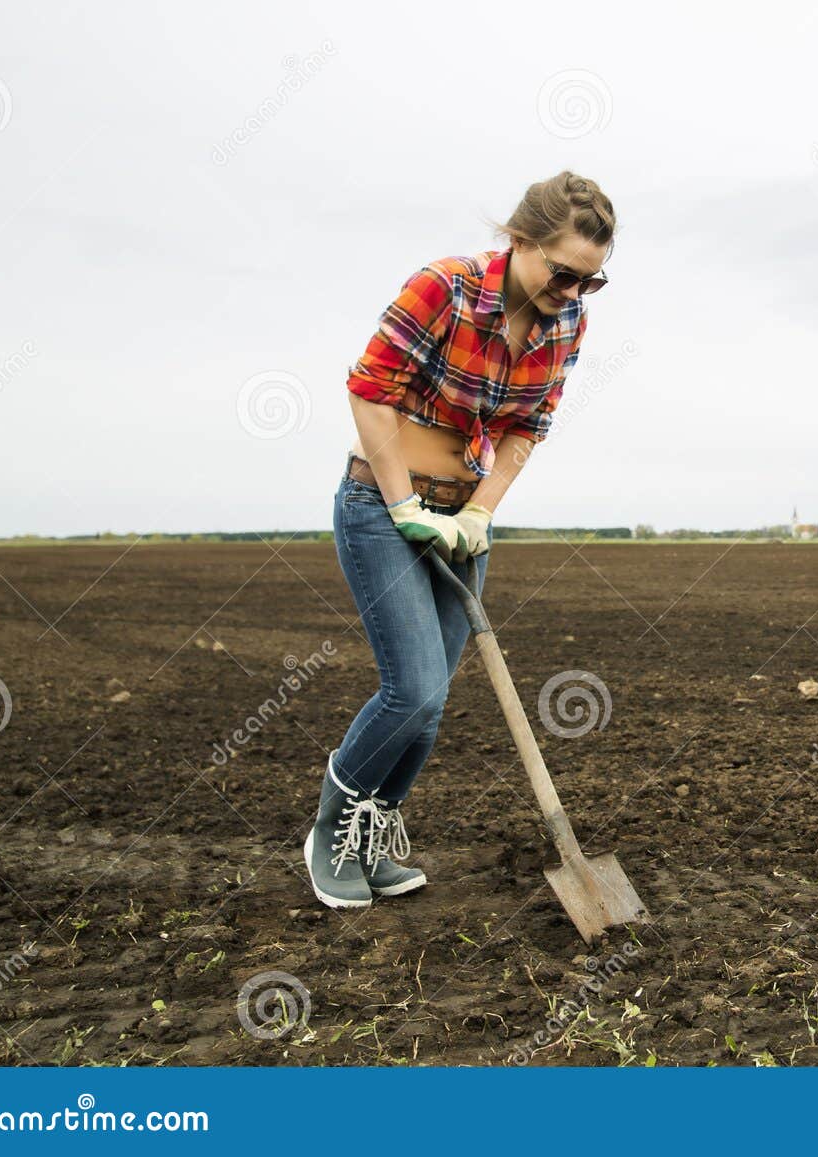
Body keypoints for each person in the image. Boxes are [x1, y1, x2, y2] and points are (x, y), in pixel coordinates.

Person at [305, 171, 616, 909]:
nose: (572, 292)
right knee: (409, 687)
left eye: (591, 282)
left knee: (434, 699)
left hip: (459, 517)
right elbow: (368, 389)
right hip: (382, 506)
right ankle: (331, 832)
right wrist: (405, 502)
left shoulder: (566, 324)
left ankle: (376, 827)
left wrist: (477, 513)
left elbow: (525, 428)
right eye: (563, 272)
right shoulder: (443, 288)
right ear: (520, 240)